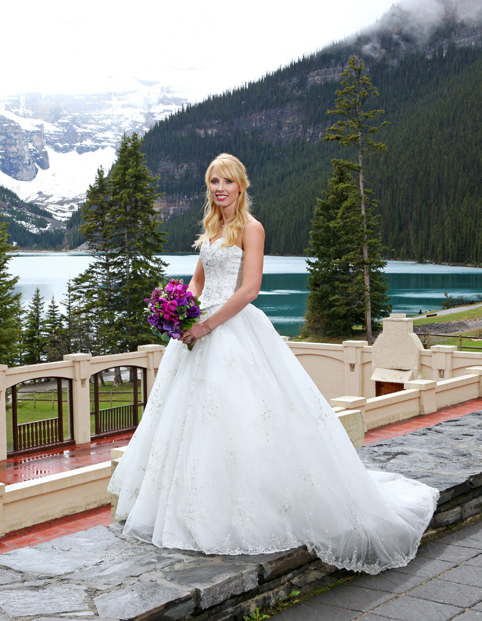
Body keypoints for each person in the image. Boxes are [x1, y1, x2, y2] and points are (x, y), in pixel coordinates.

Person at [108, 154, 438, 574]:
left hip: (229, 331)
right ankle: (187, 510)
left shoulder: (251, 228)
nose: (219, 188)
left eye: (226, 181)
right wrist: (179, 308)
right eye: (213, 181)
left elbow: (249, 290)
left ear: (241, 185)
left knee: (241, 419)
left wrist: (206, 325)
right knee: (188, 422)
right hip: (196, 334)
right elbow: (199, 280)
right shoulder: (211, 228)